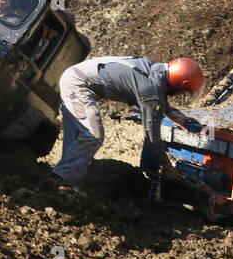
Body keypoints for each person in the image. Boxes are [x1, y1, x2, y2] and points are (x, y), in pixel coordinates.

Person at [51, 56, 203, 187]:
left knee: (77, 136)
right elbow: (152, 137)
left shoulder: (151, 68)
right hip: (78, 85)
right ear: (179, 83)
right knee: (92, 135)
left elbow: (157, 94)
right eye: (183, 90)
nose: (180, 93)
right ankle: (61, 179)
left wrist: (173, 115)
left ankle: (63, 180)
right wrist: (167, 166)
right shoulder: (150, 90)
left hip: (74, 76)